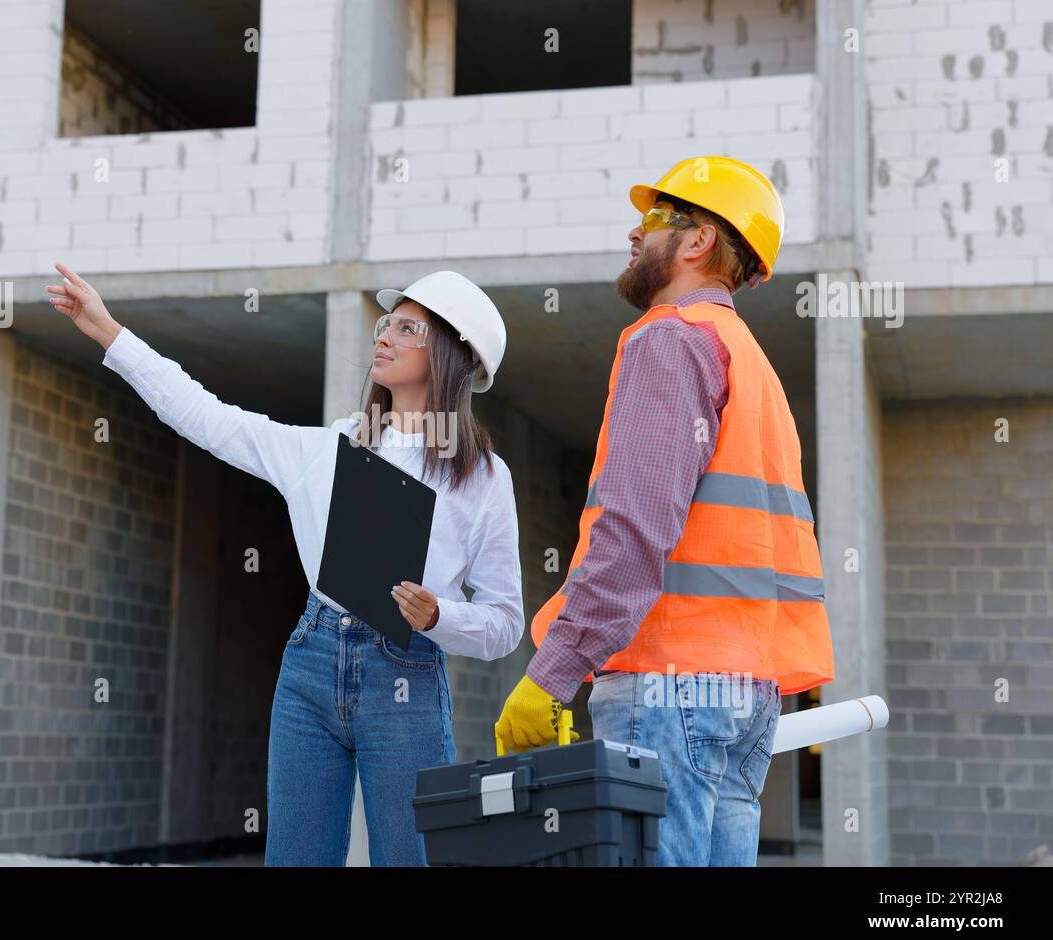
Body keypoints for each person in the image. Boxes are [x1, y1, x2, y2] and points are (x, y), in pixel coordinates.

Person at [47, 264, 524, 866]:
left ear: (452, 357)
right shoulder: (331, 446)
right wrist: (110, 332)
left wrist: (438, 617)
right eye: (386, 323)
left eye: (407, 329)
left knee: (410, 859)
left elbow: (505, 623)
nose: (382, 336)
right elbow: (208, 417)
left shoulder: (483, 478)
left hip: (405, 675)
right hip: (311, 662)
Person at [494, 156, 835, 866]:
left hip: (669, 689)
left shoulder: (670, 339)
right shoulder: (753, 366)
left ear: (696, 240)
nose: (632, 232)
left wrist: (552, 672)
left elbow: (636, 530)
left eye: (651, 219)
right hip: (744, 697)